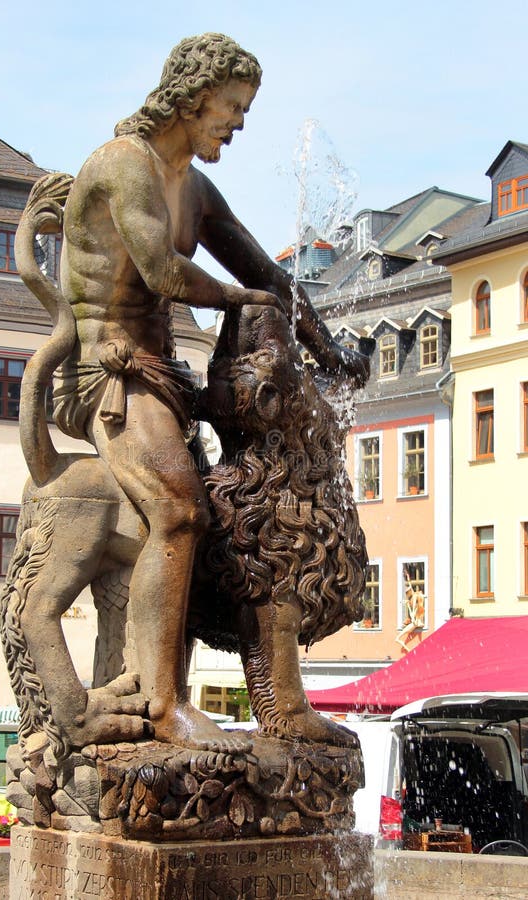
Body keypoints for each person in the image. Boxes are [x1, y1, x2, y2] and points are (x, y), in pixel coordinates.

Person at [54, 33, 369, 750]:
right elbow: (165, 274)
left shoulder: (194, 187)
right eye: (233, 107)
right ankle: (164, 706)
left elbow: (271, 273)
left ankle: (251, 701)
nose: (240, 123)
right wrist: (239, 298)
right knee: (180, 510)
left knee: (221, 521)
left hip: (166, 375)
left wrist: (331, 352)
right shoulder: (122, 167)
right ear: (193, 97)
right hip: (106, 369)